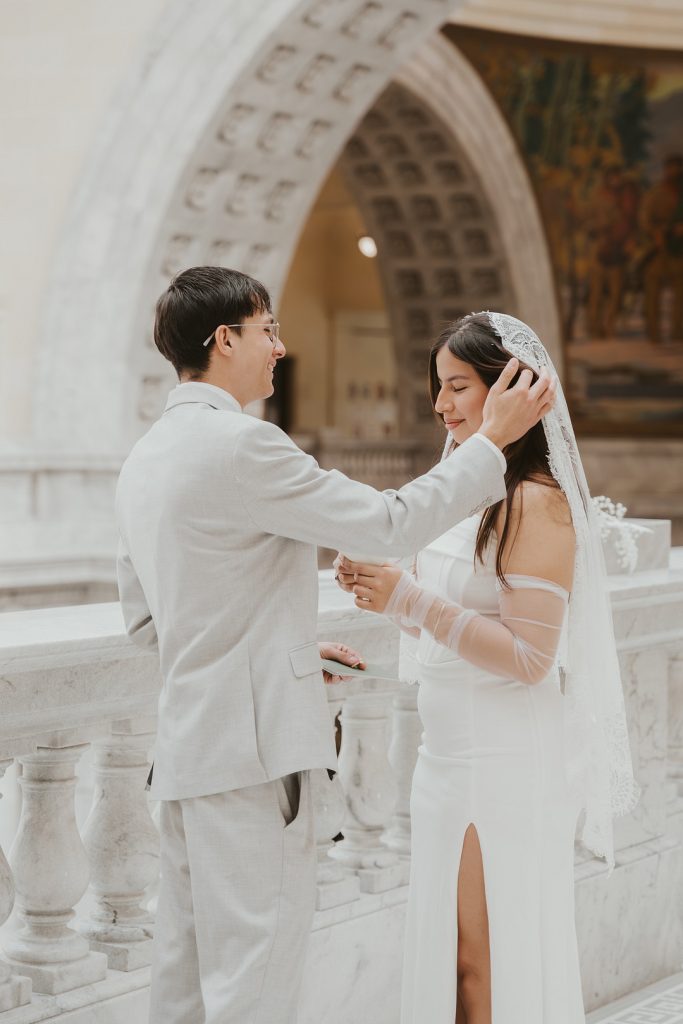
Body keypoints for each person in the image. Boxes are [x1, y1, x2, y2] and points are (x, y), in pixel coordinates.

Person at [114, 269, 555, 1024]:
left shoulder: (144, 456)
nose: (280, 348)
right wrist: (490, 444)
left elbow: (154, 623)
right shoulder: (243, 445)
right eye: (267, 330)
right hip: (254, 760)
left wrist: (291, 652)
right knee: (256, 984)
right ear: (224, 340)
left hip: (186, 755)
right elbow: (384, 526)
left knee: (183, 986)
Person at [336, 312, 639, 1024]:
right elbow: (442, 616)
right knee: (448, 954)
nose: (440, 404)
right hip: (444, 759)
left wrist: (409, 597)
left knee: (485, 958)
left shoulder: (535, 501)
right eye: (436, 387)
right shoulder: (457, 487)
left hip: (505, 759)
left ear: (512, 389)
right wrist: (383, 591)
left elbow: (531, 659)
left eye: (457, 386)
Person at [642, 154, 683, 343]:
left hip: (679, 251)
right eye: (671, 168)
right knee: (652, 292)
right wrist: (658, 232)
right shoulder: (656, 194)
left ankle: (678, 335)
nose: (675, 172)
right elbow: (645, 220)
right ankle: (653, 335)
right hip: (659, 248)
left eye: (678, 168)